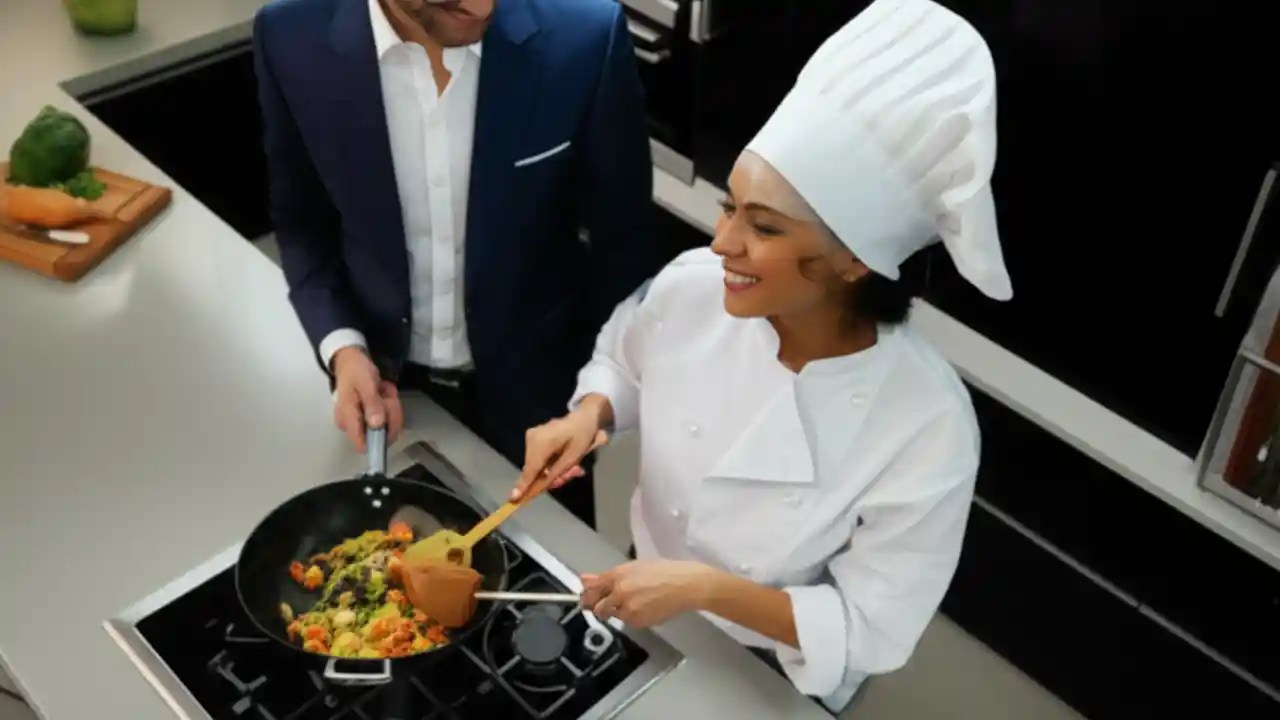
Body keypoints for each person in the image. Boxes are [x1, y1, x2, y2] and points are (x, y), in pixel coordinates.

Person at [510, 0, 1011, 712]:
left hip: (775, 669)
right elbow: (626, 359)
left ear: (852, 261)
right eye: (728, 206)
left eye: (764, 226)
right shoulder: (695, 287)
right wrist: (589, 415)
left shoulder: (927, 425)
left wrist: (703, 587)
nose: (723, 244)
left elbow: (871, 628)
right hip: (644, 587)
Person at [253, 0, 660, 526]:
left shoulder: (586, 35)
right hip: (391, 402)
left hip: (542, 407)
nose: (481, 5)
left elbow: (625, 244)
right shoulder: (288, 36)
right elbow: (303, 225)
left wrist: (593, 397)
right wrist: (343, 347)